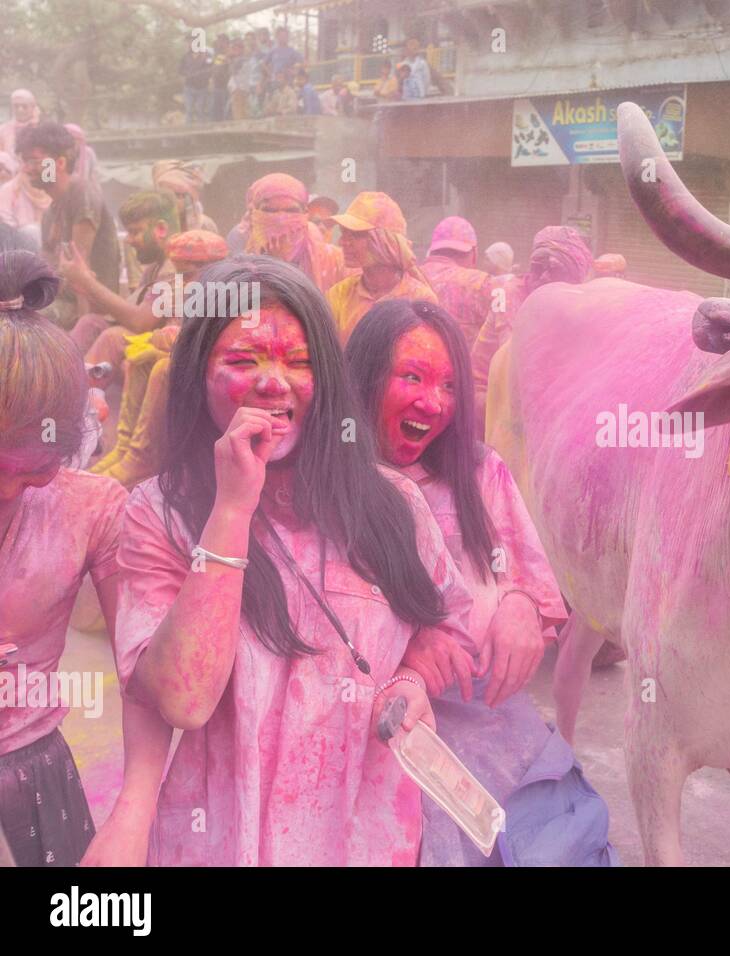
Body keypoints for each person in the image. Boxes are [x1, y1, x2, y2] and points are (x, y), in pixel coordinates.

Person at [111, 255, 476, 866]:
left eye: (300, 363)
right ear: (196, 379)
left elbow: (447, 623)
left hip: (362, 835)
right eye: (243, 361)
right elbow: (182, 700)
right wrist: (231, 510)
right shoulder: (161, 515)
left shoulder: (394, 505)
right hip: (219, 841)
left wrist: (414, 679)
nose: (275, 382)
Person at [345, 299, 617, 866]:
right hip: (364, 733)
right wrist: (407, 655)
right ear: (363, 375)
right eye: (412, 377)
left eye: (448, 385)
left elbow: (535, 583)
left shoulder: (478, 470)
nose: (433, 402)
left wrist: (521, 603)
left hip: (487, 722)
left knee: (547, 843)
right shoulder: (324, 482)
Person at [0, 250, 169, 867]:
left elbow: (144, 674)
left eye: (32, 475)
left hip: (36, 784)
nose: (9, 494)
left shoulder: (89, 509)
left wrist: (135, 809)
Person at [92, 229, 229, 488]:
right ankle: (126, 450)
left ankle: (142, 459)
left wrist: (175, 340)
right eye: (178, 273)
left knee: (163, 369)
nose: (181, 280)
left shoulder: (231, 293)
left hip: (221, 374)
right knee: (139, 360)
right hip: (190, 362)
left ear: (214, 268)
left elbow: (219, 347)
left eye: (186, 273)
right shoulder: (187, 291)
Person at [472, 225, 592, 436]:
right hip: (487, 397)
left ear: (576, 278)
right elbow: (518, 365)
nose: (544, 276)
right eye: (537, 267)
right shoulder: (510, 293)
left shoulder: (579, 302)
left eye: (555, 270)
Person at [18, 122, 121, 329]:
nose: (27, 169)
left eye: (35, 161)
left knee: (20, 321)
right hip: (60, 300)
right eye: (25, 161)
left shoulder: (82, 194)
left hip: (92, 308)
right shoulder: (50, 213)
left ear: (60, 162)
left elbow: (80, 273)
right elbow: (44, 272)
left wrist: (82, 338)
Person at [62, 190, 179, 363]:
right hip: (155, 338)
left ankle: (74, 387)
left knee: (113, 338)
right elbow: (124, 314)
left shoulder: (175, 267)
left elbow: (140, 322)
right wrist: (86, 287)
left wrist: (87, 282)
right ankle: (58, 375)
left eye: (135, 232)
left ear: (161, 229)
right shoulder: (154, 269)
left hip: (175, 350)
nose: (128, 240)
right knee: (91, 323)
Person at [326, 191, 439, 342]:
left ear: (385, 241)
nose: (343, 242)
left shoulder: (420, 298)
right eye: (343, 234)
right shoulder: (339, 295)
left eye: (355, 235)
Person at [242, 173, 347, 295]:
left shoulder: (338, 263)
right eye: (270, 210)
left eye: (291, 210)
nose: (281, 219)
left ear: (305, 213)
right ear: (253, 214)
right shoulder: (242, 269)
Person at [422, 215, 493, 346]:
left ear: (432, 250)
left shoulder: (408, 278)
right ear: (474, 253)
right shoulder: (480, 283)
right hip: (463, 366)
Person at [0, 90, 42, 163]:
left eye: (24, 106)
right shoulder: (2, 129)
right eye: (16, 106)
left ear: (33, 107)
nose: (20, 109)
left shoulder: (41, 128)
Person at [180, 47, 212, 125]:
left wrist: (204, 73)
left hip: (202, 87)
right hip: (189, 87)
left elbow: (211, 67)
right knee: (189, 109)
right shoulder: (185, 56)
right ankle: (188, 127)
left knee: (200, 109)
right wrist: (187, 74)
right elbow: (180, 70)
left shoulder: (207, 55)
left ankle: (202, 128)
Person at [209, 35, 231, 121]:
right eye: (218, 41)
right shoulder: (217, 54)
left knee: (226, 110)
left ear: (226, 42)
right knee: (216, 111)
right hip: (217, 86)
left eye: (221, 41)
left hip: (227, 86)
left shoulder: (230, 53)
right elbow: (216, 68)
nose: (219, 43)